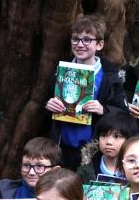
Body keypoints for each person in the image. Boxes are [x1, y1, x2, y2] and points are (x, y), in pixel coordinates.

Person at [45, 15, 127, 171]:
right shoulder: (60, 71)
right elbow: (46, 105)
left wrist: (103, 110)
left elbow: (123, 113)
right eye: (76, 39)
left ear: (99, 45)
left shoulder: (110, 75)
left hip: (93, 150)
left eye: (87, 40)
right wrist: (49, 105)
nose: (80, 44)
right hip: (61, 146)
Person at [76, 110, 136, 183]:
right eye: (104, 135)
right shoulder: (85, 170)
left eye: (116, 136)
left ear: (129, 139)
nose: (108, 142)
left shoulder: (137, 170)